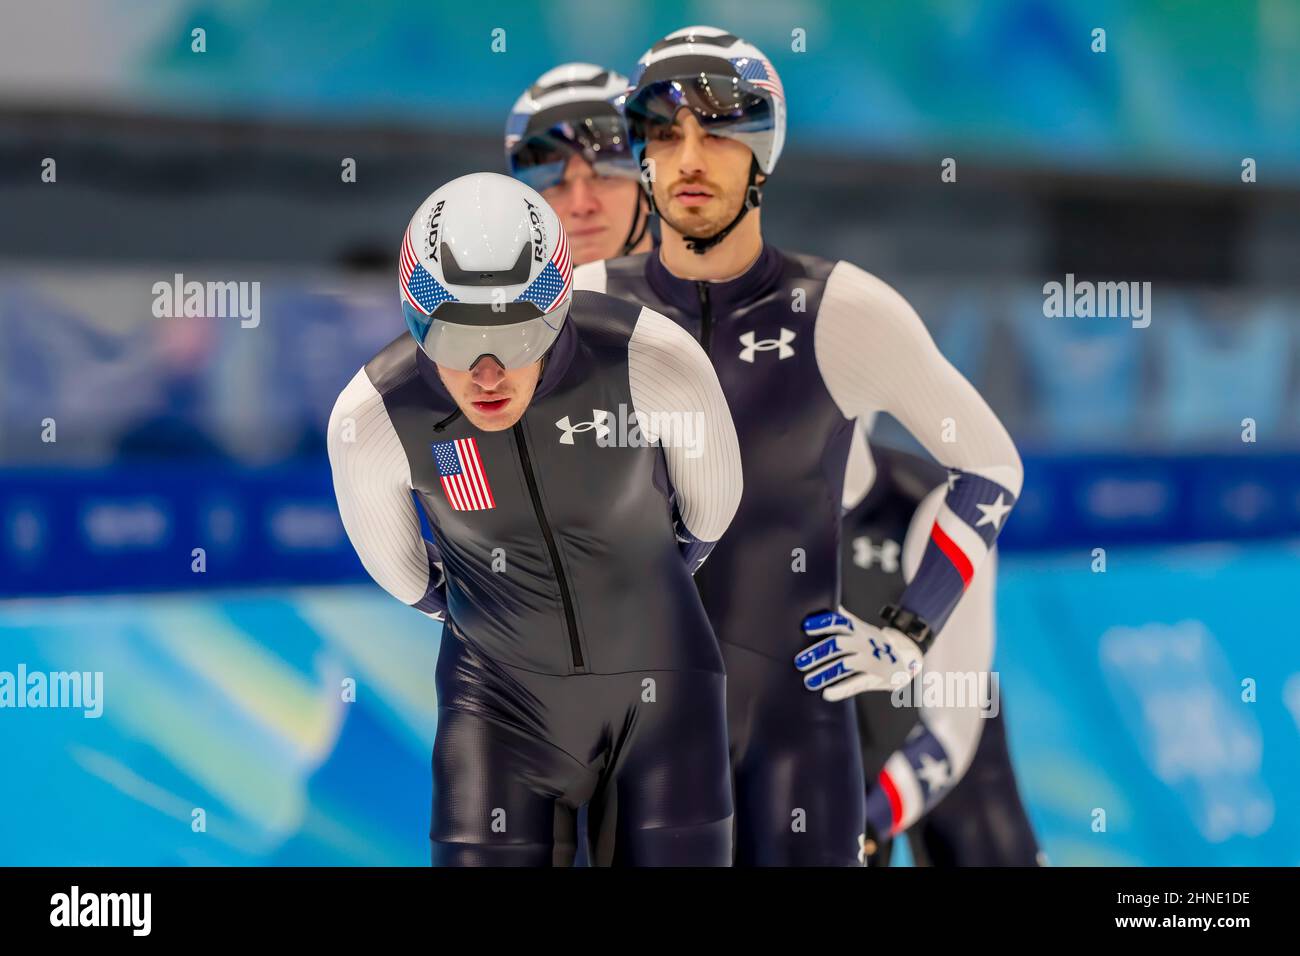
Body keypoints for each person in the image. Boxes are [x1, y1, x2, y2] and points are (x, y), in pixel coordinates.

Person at [574, 26, 1023, 865]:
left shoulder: (843, 310)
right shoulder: (586, 306)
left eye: (719, 133)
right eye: (665, 136)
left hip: (798, 750)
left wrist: (905, 633)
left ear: (765, 155)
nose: (690, 158)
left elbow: (991, 467)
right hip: (636, 747)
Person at [327, 172, 743, 866]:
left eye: (516, 336)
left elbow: (711, 511)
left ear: (556, 312)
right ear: (417, 318)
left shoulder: (653, 358)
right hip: (501, 714)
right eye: (459, 340)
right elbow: (409, 578)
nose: (488, 373)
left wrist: (499, 605)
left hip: (662, 702)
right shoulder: (371, 417)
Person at [839, 424, 1042, 866]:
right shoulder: (723, 495)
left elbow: (952, 724)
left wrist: (868, 826)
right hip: (821, 762)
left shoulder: (933, 501)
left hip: (944, 740)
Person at [505, 63, 653, 266]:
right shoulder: (508, 296)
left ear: (648, 190)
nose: (581, 206)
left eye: (603, 177)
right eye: (556, 185)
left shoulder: (709, 290)